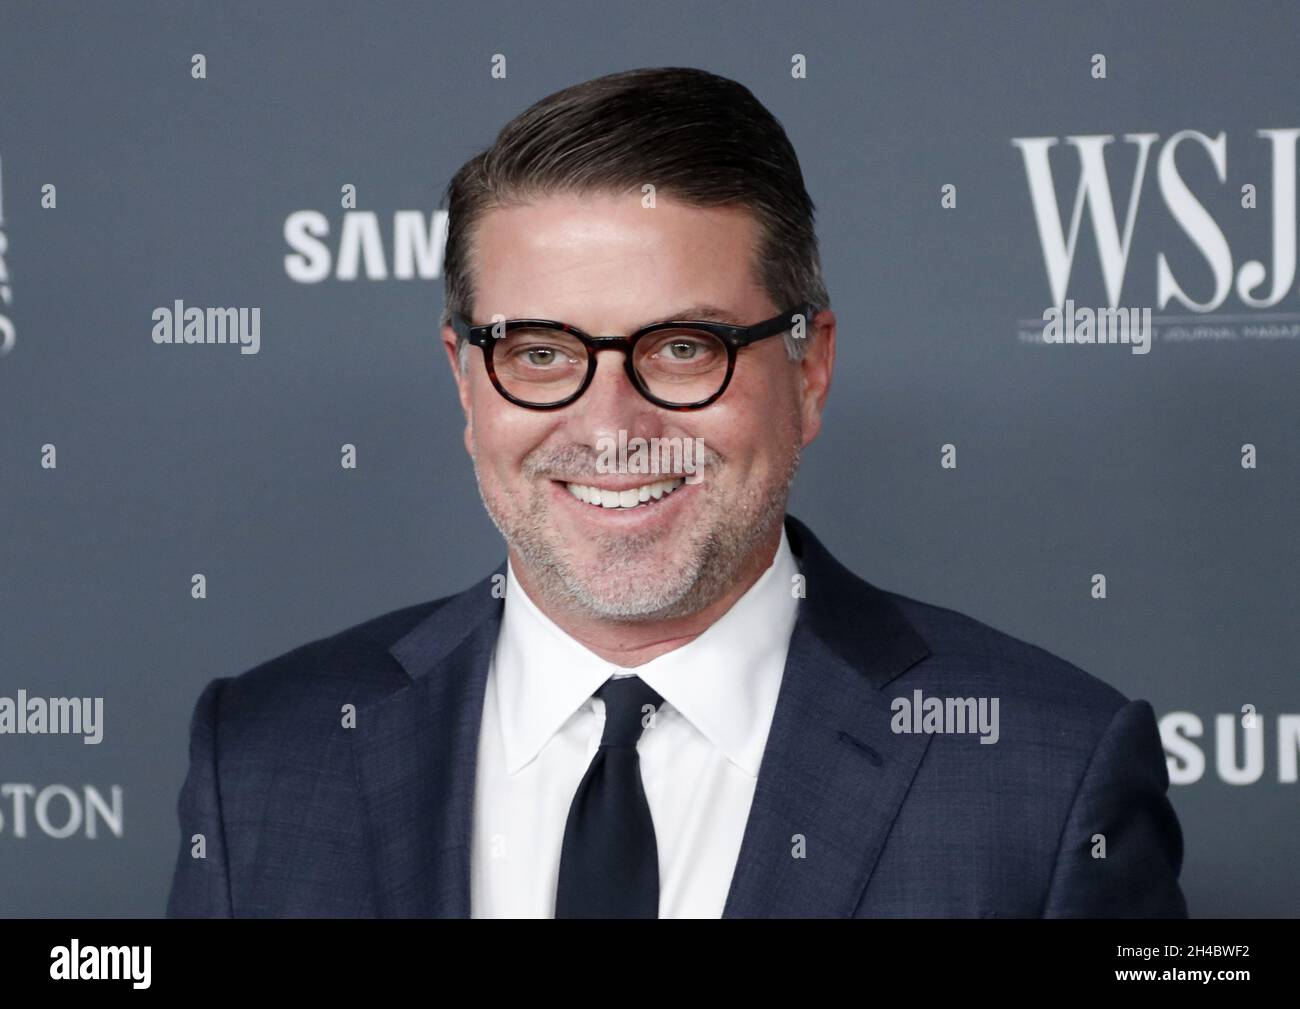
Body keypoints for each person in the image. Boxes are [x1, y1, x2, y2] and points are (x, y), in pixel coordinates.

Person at [166, 66, 1187, 918]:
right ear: (465, 379)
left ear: (809, 369)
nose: (611, 426)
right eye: (538, 351)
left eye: (684, 347)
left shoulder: (1046, 777)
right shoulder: (264, 753)